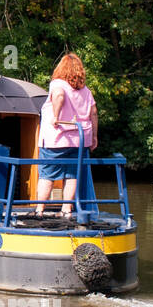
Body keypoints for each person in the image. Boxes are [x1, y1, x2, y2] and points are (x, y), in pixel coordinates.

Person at [35, 53, 98, 217]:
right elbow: (94, 114)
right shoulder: (86, 91)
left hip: (56, 139)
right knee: (71, 176)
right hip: (80, 141)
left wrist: (56, 116)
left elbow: (59, 96)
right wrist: (94, 137)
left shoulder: (58, 84)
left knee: (46, 175)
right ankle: (66, 210)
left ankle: (39, 210)